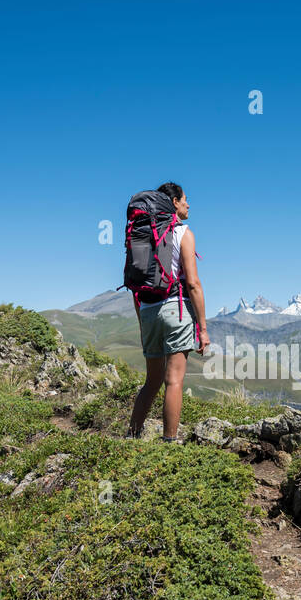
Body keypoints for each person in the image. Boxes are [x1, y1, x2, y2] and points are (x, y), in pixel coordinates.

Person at [127, 183, 210, 441]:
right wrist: (203, 329)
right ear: (173, 202)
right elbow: (193, 283)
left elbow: (135, 285)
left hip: (148, 310)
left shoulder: (141, 234)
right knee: (173, 380)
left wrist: (143, 324)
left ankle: (131, 436)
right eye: (185, 199)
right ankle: (169, 444)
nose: (188, 204)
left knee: (151, 381)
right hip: (176, 308)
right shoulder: (183, 233)